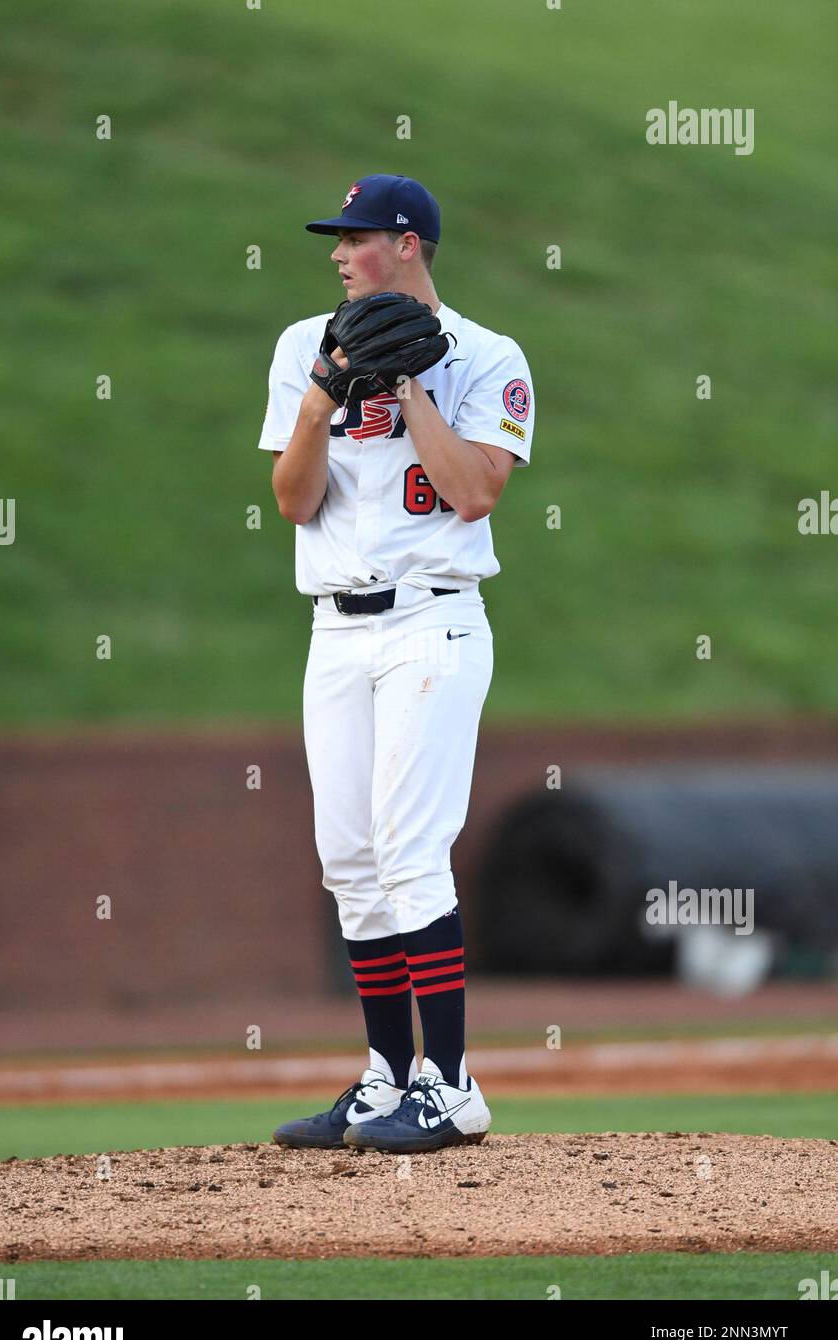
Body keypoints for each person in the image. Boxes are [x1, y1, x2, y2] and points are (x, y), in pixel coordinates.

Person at [258, 174, 535, 1152]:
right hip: (335, 629)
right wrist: (322, 396)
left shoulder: (486, 355)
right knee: (350, 860)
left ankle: (451, 1085)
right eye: (335, 238)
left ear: (407, 242)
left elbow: (471, 493)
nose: (338, 252)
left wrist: (411, 391)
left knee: (411, 851)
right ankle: (385, 1077)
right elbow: (292, 500)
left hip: (432, 623)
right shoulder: (304, 346)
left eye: (357, 236)